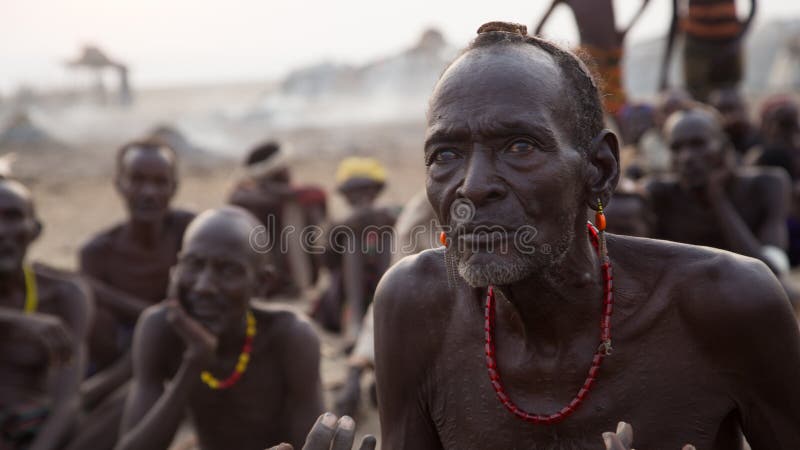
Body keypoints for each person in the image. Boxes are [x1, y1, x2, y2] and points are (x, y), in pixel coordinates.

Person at [372, 22, 800, 449]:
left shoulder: (725, 303)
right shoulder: (416, 307)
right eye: (444, 154)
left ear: (599, 170)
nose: (473, 185)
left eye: (519, 146)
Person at [116, 206, 324, 450]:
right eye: (193, 265)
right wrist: (193, 363)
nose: (204, 286)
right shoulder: (162, 329)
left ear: (261, 283)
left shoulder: (291, 337)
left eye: (227, 270)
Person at [647, 107, 795, 293]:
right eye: (676, 148)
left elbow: (770, 273)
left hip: (749, 297)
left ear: (724, 146)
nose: (686, 157)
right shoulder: (660, 194)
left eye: (698, 144)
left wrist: (717, 198)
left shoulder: (767, 185)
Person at [80, 139, 194, 375]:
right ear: (119, 185)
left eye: (160, 182)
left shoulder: (189, 233)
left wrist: (104, 294)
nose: (149, 192)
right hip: (119, 361)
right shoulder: (97, 253)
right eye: (137, 180)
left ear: (174, 187)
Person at [0, 178, 92, 450]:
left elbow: (67, 400)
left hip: (36, 429)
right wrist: (16, 320)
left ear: (35, 230)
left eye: (13, 217)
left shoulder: (65, 295)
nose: (2, 231)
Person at [228, 141, 326, 297]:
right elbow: (242, 198)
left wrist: (275, 190)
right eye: (284, 168)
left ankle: (299, 281)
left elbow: (318, 196)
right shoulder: (247, 198)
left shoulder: (295, 196)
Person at [708, 88, 760, 157]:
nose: (727, 115)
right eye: (721, 109)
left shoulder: (759, 139)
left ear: (744, 108)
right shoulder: (708, 142)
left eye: (730, 108)